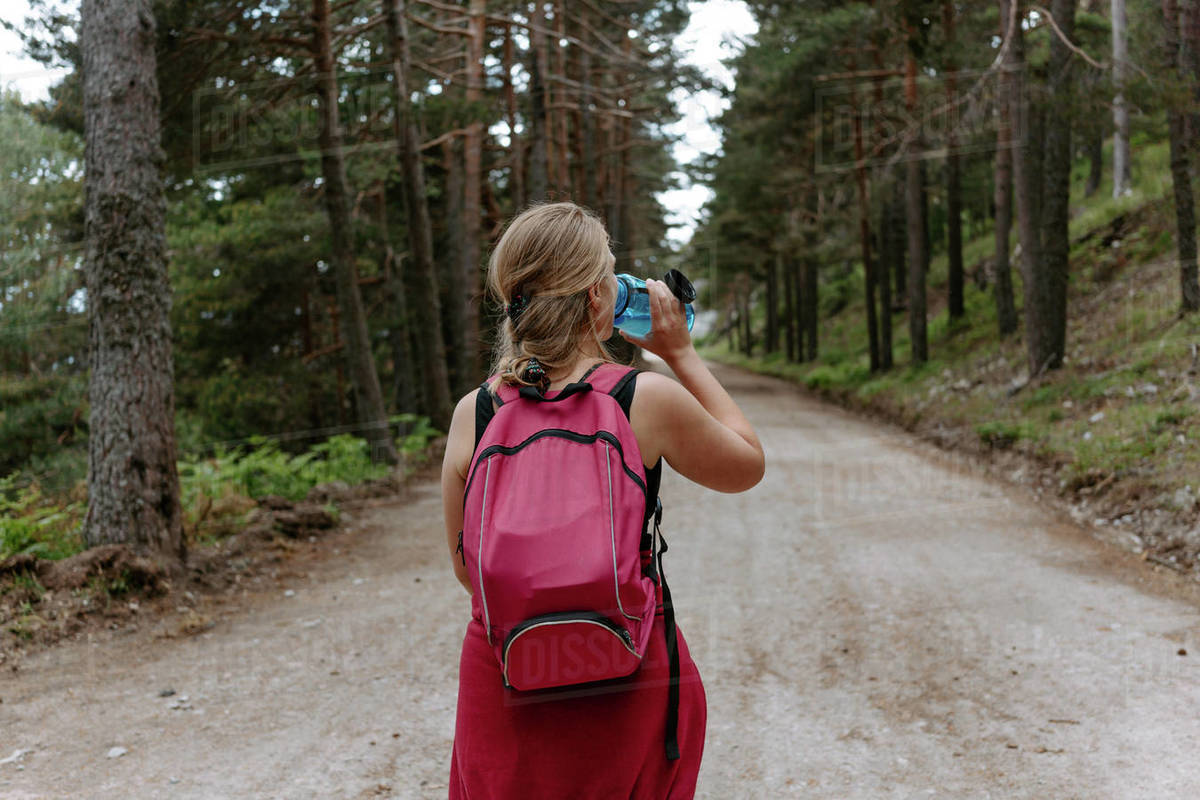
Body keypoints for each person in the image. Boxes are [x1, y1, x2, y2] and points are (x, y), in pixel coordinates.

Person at [441, 202, 765, 799]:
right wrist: (682, 354)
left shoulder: (476, 413)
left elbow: (469, 569)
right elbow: (747, 465)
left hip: (505, 674)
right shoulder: (643, 399)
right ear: (598, 298)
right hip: (626, 667)